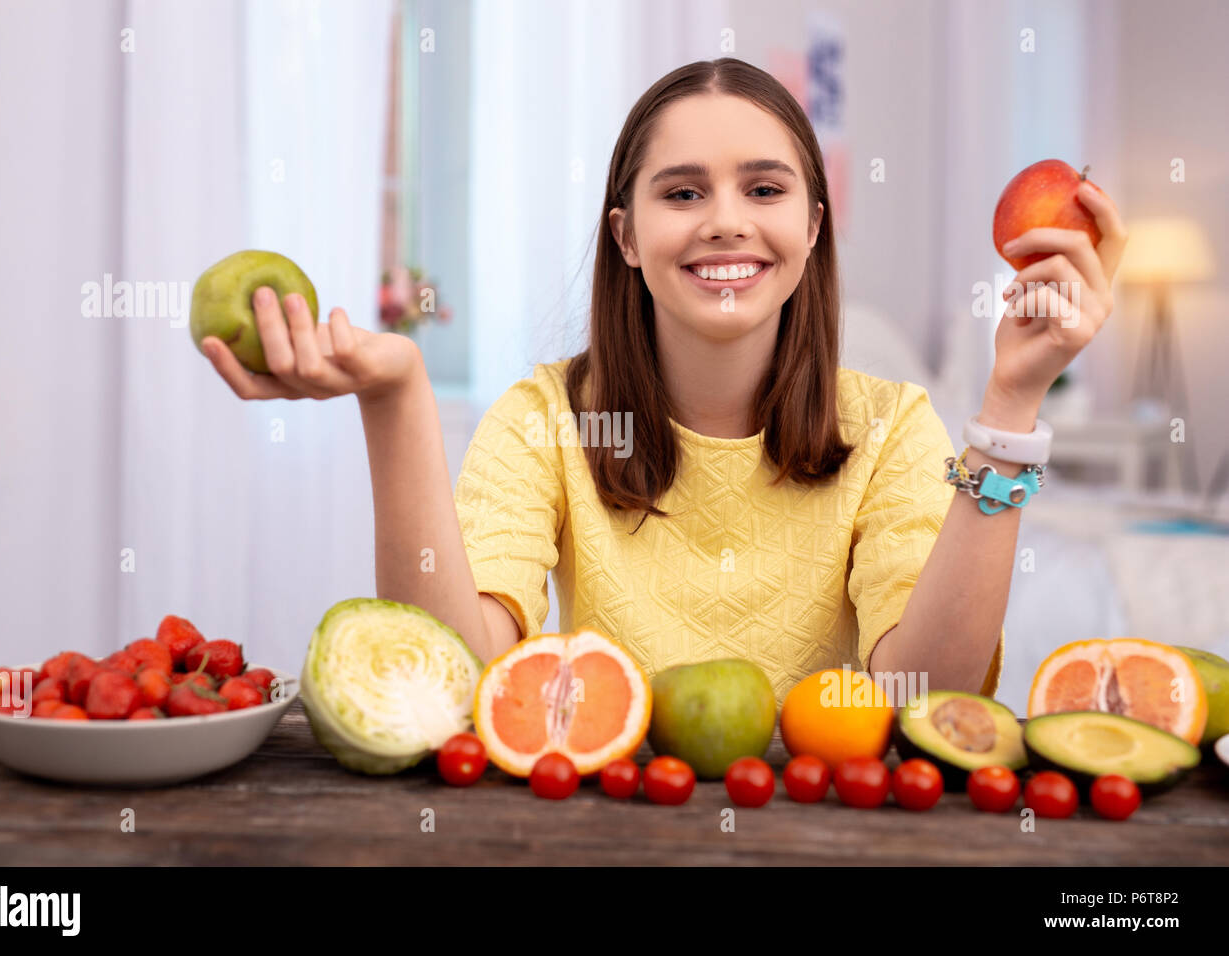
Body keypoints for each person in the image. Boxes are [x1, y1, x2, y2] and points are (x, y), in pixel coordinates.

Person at [199, 58, 1127, 702]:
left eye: (763, 190)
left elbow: (923, 688)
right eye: (682, 193)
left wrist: (1011, 404)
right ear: (628, 237)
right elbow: (459, 674)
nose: (725, 221)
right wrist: (394, 396)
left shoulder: (892, 428)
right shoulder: (544, 420)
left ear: (811, 227)